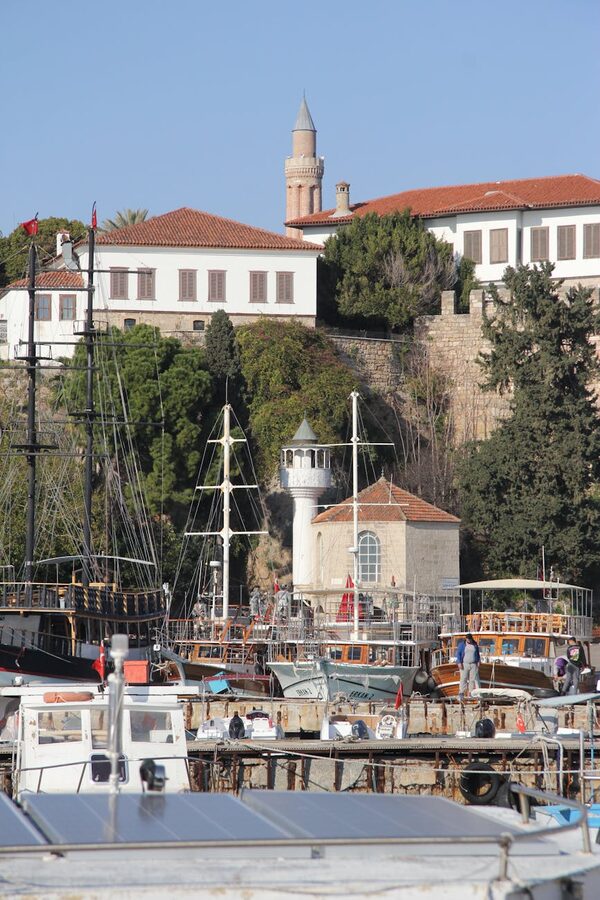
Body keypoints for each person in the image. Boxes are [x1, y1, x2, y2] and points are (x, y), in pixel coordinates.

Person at [456, 632, 481, 702]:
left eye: (470, 639)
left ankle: (470, 693)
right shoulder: (462, 645)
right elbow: (458, 654)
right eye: (468, 639)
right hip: (465, 664)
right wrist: (459, 662)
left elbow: (477, 654)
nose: (469, 640)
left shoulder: (475, 644)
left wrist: (478, 661)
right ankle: (461, 693)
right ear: (466, 639)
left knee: (472, 679)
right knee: (463, 678)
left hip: (473, 664)